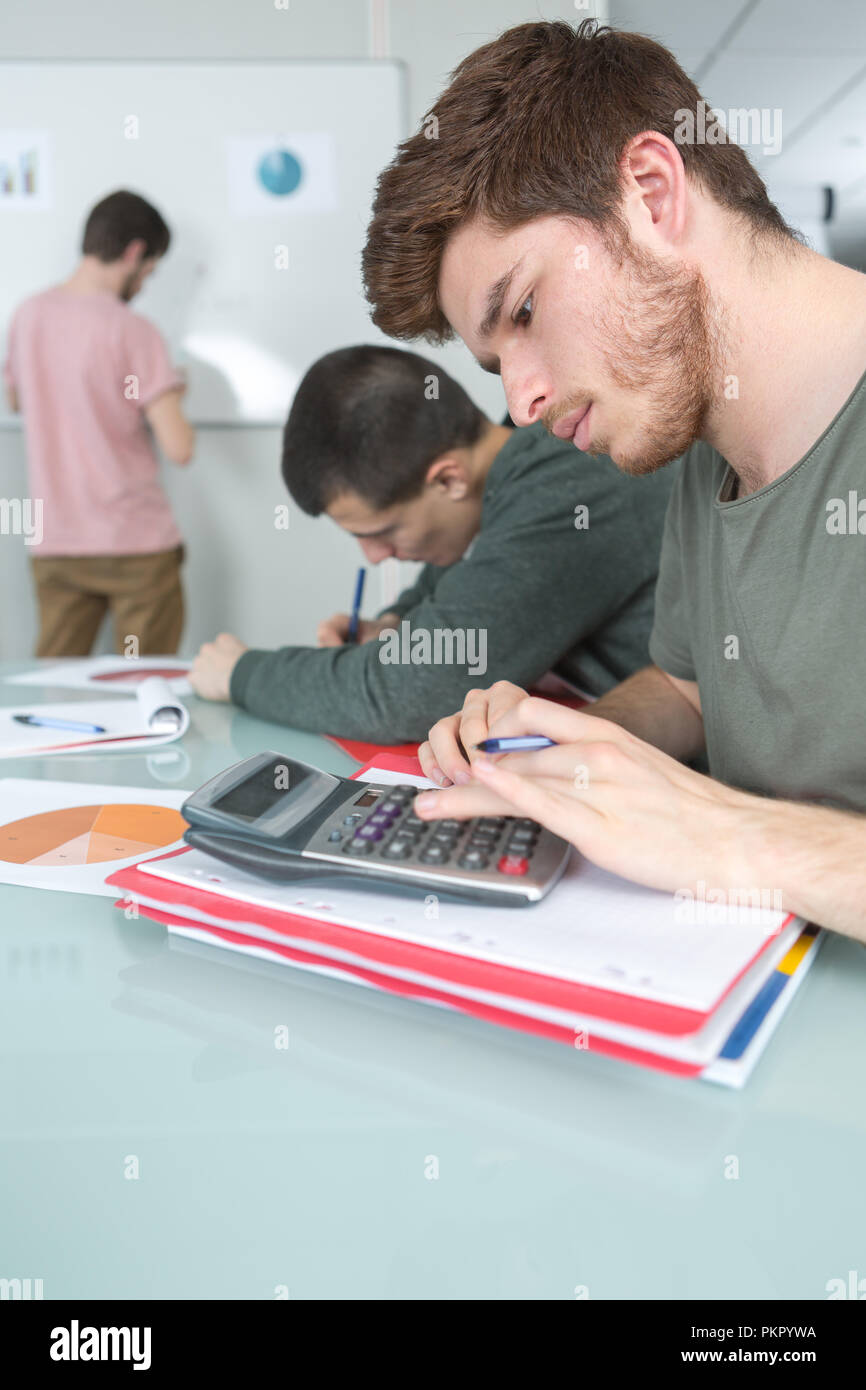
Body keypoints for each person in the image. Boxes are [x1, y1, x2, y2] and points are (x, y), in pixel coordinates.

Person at [360, 19, 866, 940]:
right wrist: (569, 743)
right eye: (493, 361)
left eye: (522, 308)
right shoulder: (699, 436)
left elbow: (727, 828)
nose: (520, 403)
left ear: (650, 189)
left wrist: (730, 837)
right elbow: (690, 689)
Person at [189, 344, 675, 742]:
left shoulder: (565, 482)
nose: (375, 557)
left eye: (379, 533)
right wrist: (393, 625)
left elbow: (403, 695)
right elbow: (459, 584)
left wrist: (242, 674)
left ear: (447, 480)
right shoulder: (513, 457)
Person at [3, 189, 195, 657]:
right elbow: (180, 448)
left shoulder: (28, 315)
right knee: (145, 684)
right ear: (133, 252)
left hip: (57, 543)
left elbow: (15, 400)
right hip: (135, 542)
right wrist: (172, 393)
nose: (145, 283)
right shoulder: (134, 331)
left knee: (56, 686)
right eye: (149, 269)